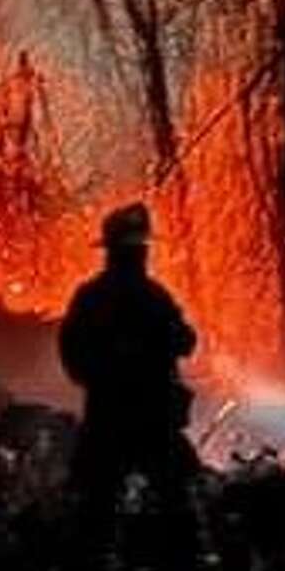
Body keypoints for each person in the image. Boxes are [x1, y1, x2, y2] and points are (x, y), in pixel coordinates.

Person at [58, 202, 200, 551]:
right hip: (151, 418)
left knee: (96, 506)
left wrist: (96, 378)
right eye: (139, 249)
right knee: (174, 504)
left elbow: (71, 351)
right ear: (137, 251)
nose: (142, 255)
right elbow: (185, 341)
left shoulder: (90, 296)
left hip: (108, 417)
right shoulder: (154, 297)